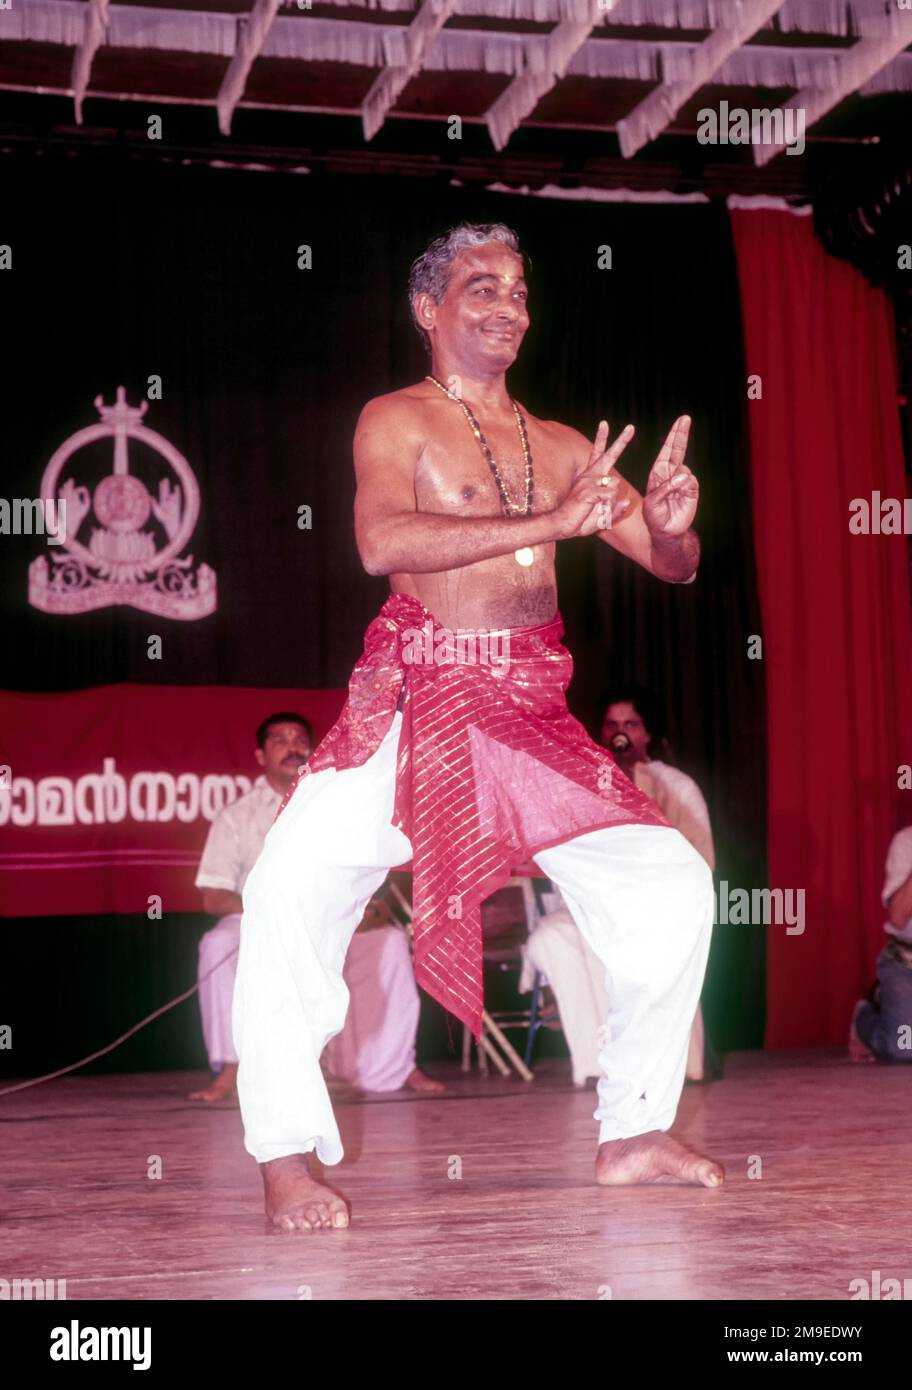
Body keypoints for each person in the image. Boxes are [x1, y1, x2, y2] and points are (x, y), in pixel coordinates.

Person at [234, 221, 723, 1235]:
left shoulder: (565, 446)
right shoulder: (395, 420)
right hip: (414, 698)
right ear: (428, 308)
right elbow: (380, 541)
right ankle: (285, 1158)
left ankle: (633, 1129)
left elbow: (671, 566)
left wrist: (672, 525)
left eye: (520, 290)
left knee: (669, 882)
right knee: (287, 888)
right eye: (480, 287)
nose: (508, 305)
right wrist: (552, 523)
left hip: (529, 709)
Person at [193, 711, 438, 1102]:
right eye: (280, 740)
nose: (293, 746)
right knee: (217, 945)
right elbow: (213, 896)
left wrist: (363, 909)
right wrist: (274, 910)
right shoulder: (236, 816)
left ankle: (391, 1066)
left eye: (300, 739)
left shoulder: (335, 805)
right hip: (259, 925)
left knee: (389, 943)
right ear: (260, 755)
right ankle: (233, 1066)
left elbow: (365, 875)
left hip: (329, 923)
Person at [523, 685, 716, 1084]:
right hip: (591, 904)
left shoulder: (676, 786)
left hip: (657, 910)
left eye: (631, 723)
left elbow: (702, 862)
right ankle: (596, 1067)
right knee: (550, 936)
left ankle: (643, 1066)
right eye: (612, 724)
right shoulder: (581, 783)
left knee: (608, 935)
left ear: (646, 733)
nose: (620, 732)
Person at [849, 825, 912, 1063]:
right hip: (905, 966)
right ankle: (865, 1016)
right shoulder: (906, 842)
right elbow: (897, 916)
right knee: (904, 1046)